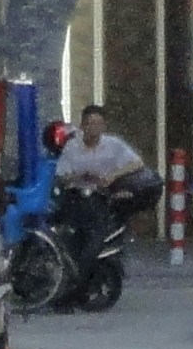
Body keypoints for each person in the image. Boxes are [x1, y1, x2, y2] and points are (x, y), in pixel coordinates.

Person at [53, 103, 155, 278]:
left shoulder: (113, 144)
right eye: (90, 124)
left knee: (95, 233)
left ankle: (79, 275)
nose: (94, 128)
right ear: (82, 126)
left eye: (98, 124)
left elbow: (137, 163)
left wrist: (114, 175)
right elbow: (62, 176)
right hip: (76, 195)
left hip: (100, 197)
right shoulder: (72, 147)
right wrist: (80, 175)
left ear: (104, 126)